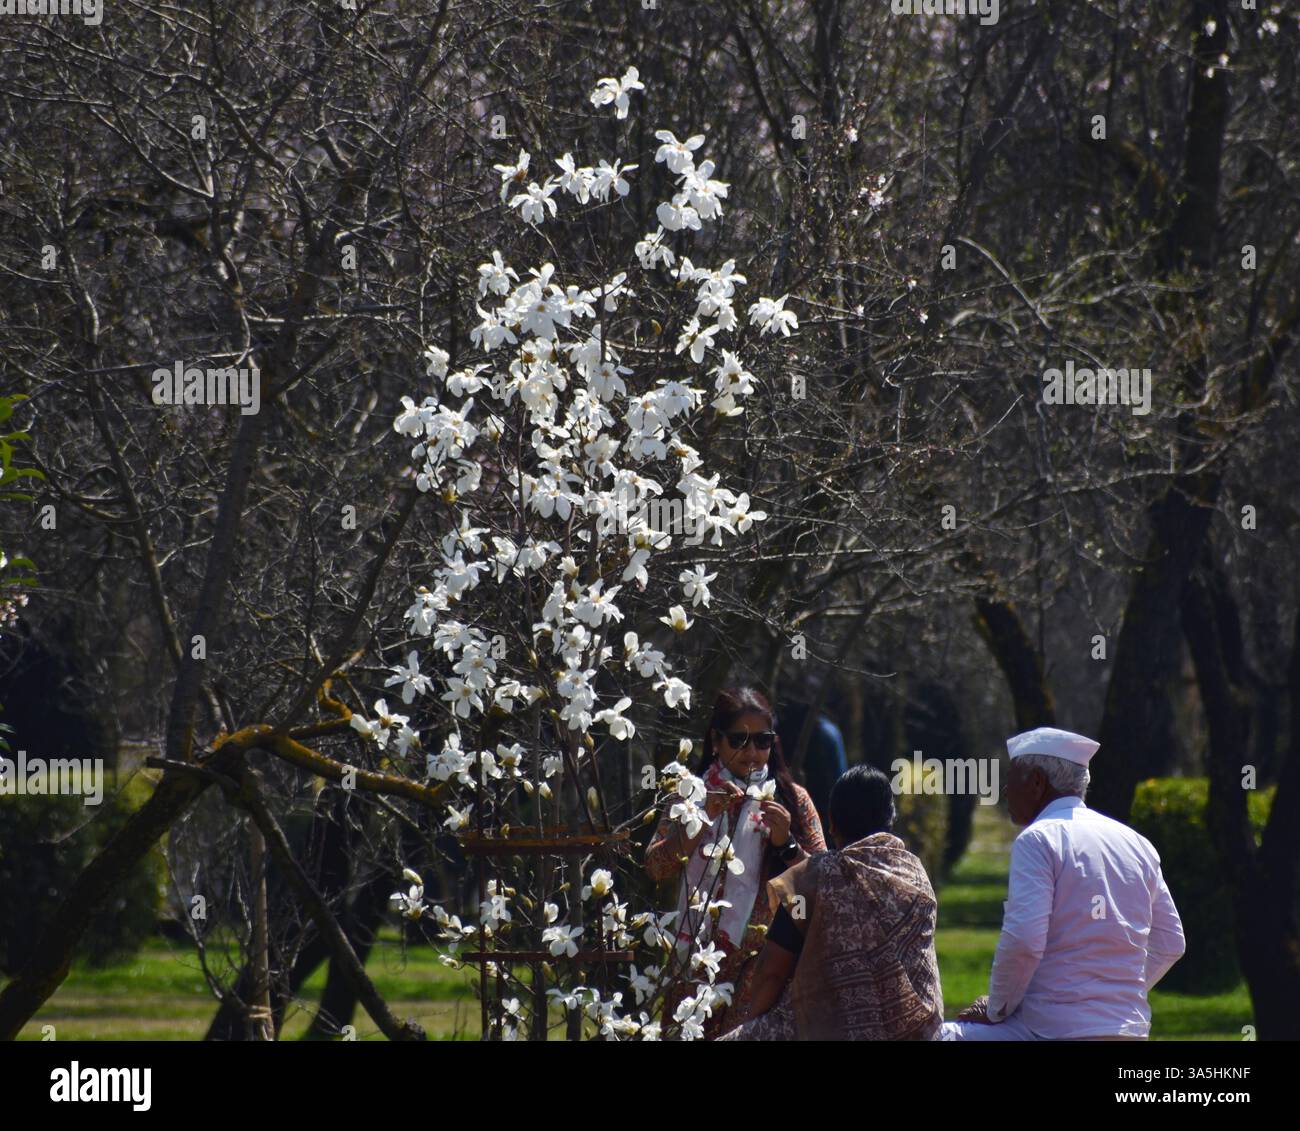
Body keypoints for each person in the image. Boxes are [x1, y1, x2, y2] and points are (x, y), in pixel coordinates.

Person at [942, 726, 1186, 1041]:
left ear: (1037, 783)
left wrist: (997, 1009)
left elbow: (1025, 941)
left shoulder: (1039, 839)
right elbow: (1171, 944)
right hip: (1129, 1029)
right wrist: (1114, 1000)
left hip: (1050, 1030)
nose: (1005, 789)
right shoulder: (1137, 843)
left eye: (1012, 778)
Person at [645, 686, 825, 1038]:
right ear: (716, 740)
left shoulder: (792, 799)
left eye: (762, 741)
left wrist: (785, 842)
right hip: (693, 958)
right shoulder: (690, 796)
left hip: (763, 962)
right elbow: (655, 867)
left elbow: (822, 882)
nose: (752, 753)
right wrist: (698, 824)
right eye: (739, 740)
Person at [719, 764, 944, 1040]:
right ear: (891, 820)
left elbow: (772, 973)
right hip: (912, 1033)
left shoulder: (809, 883)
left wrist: (749, 1027)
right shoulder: (915, 877)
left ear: (832, 824)